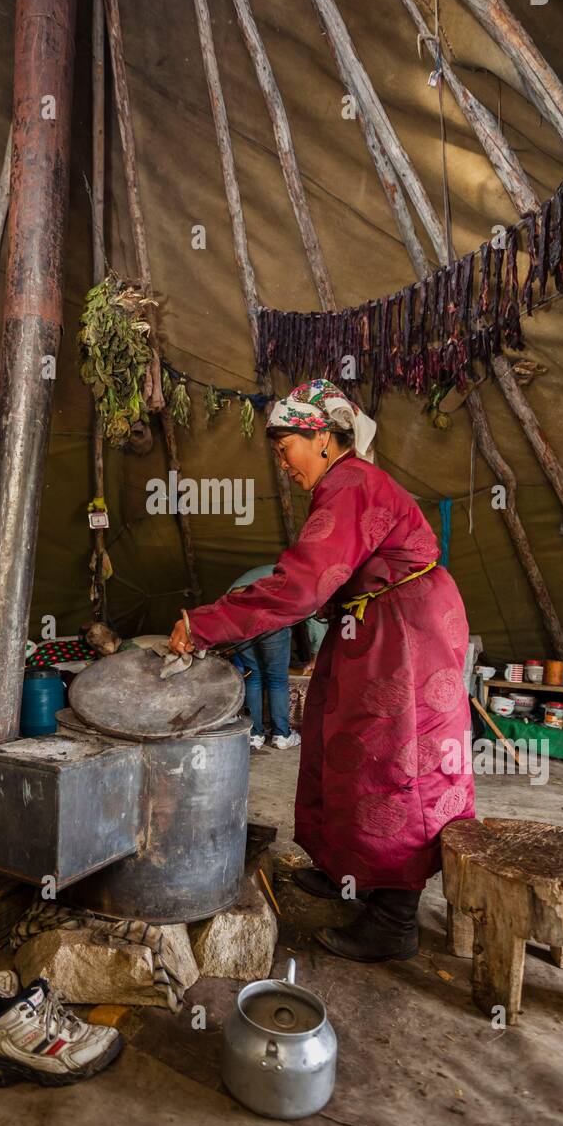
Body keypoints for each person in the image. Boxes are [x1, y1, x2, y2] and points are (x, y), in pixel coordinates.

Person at [168, 379, 475, 964]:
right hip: (371, 622)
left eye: (286, 448)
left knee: (393, 757)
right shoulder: (341, 487)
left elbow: (304, 585)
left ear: (324, 439)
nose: (282, 463)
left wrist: (205, 623)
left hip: (405, 629)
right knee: (338, 742)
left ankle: (394, 917)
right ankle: (346, 873)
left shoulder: (352, 483)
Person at [228, 565, 300, 752]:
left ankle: (254, 735)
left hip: (237, 615)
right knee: (277, 679)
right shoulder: (297, 575)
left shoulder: (257, 573)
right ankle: (282, 736)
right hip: (269, 617)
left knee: (253, 676)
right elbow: (314, 621)